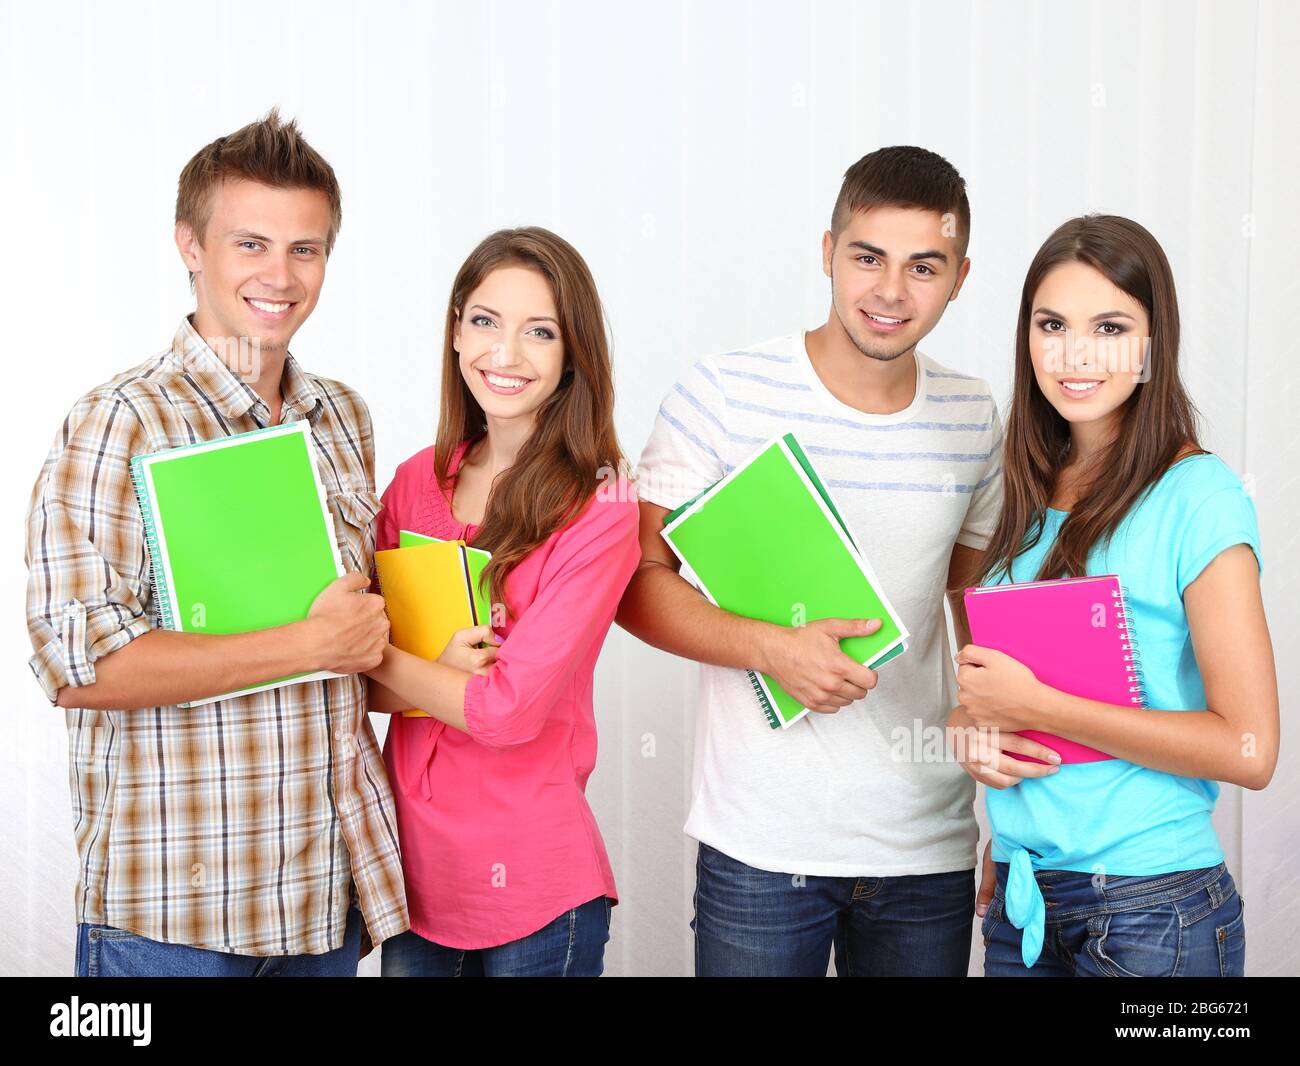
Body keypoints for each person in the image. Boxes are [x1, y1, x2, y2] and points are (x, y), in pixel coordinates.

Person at [23, 109, 407, 976]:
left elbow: (357, 642)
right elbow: (75, 667)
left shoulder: (342, 415)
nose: (280, 275)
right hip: (174, 920)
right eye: (251, 244)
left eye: (304, 250)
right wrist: (306, 645)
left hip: (321, 906)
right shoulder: (119, 421)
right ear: (190, 246)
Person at [618, 146, 1003, 976]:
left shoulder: (976, 417)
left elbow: (978, 623)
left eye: (923, 266)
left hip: (924, 845)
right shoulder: (720, 394)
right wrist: (771, 649)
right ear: (827, 251)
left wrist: (1014, 819)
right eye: (867, 257)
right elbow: (640, 589)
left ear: (960, 277)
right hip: (762, 843)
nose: (891, 291)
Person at [948, 214, 1279, 977]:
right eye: (1052, 324)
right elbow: (1005, 695)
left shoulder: (1198, 495)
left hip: (1150, 913)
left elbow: (1250, 748)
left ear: (1154, 343)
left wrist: (1041, 710)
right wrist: (973, 729)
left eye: (1110, 326)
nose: (1075, 355)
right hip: (1024, 900)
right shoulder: (1027, 490)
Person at [366, 227, 640, 977]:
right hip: (413, 881)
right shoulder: (415, 483)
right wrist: (427, 671)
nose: (506, 354)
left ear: (572, 354)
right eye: (485, 321)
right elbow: (347, 684)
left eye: (540, 332)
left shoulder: (601, 507)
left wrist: (396, 662)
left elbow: (507, 713)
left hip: (537, 892)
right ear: (456, 332)